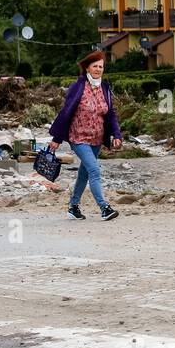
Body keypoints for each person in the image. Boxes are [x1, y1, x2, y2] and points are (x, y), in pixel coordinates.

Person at [48, 50, 122, 221]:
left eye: (101, 66)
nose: (98, 69)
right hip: (78, 137)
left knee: (85, 173)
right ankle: (104, 208)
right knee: (94, 170)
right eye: (95, 66)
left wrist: (116, 134)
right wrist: (57, 139)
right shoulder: (78, 86)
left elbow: (111, 114)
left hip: (97, 138)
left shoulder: (104, 87)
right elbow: (66, 111)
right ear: (87, 68)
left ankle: (73, 207)